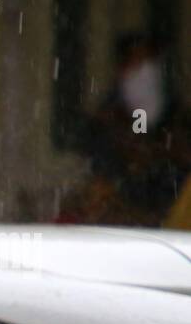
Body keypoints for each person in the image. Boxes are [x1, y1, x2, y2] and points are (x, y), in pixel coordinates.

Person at [65, 33, 191, 226]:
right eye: (136, 62)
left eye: (149, 62)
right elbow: (93, 180)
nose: (144, 72)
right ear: (121, 68)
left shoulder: (177, 119)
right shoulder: (106, 120)